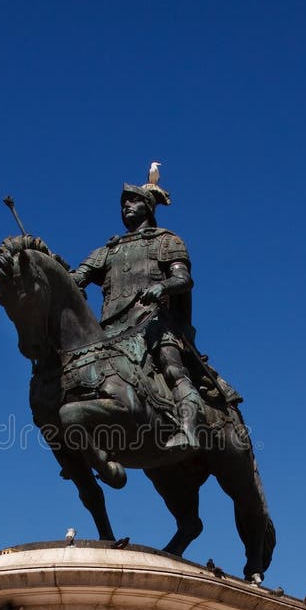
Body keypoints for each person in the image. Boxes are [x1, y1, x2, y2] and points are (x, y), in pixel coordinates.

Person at [71, 182, 205, 448]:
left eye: (133, 201)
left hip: (152, 323)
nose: (126, 206)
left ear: (149, 207)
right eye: (123, 203)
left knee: (172, 368)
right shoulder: (108, 250)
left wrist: (163, 286)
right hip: (110, 330)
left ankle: (189, 429)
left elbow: (184, 279)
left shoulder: (167, 241)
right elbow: (76, 278)